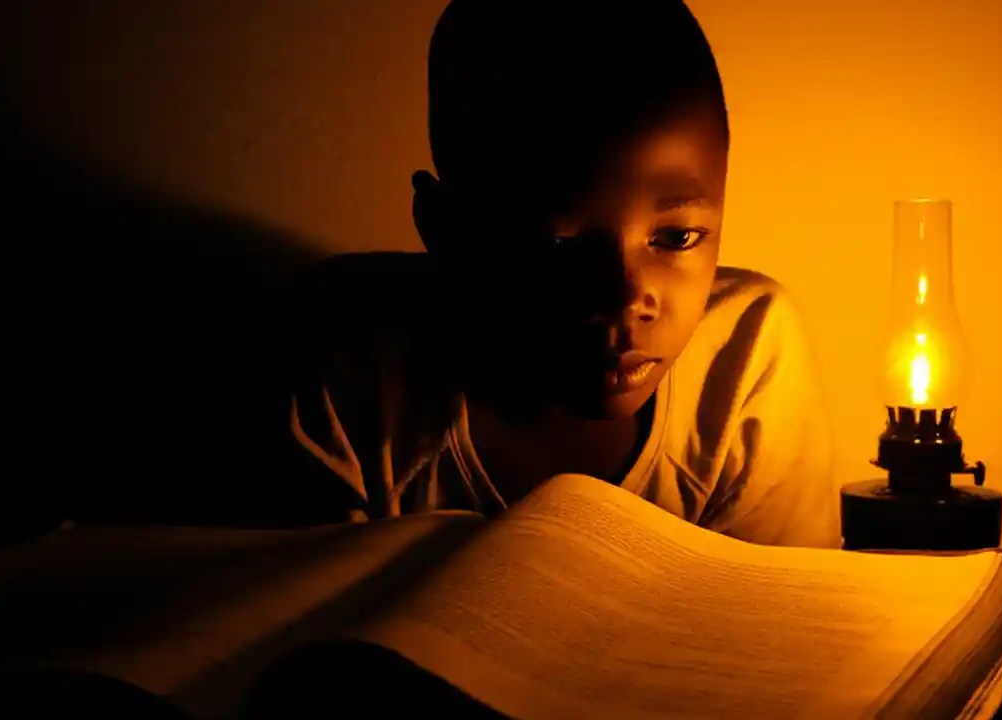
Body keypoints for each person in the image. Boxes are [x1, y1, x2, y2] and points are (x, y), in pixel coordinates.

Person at [284, 0, 838, 547]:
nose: (626, 297)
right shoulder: (352, 370)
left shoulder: (742, 362)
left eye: (676, 238)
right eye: (558, 245)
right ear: (443, 228)